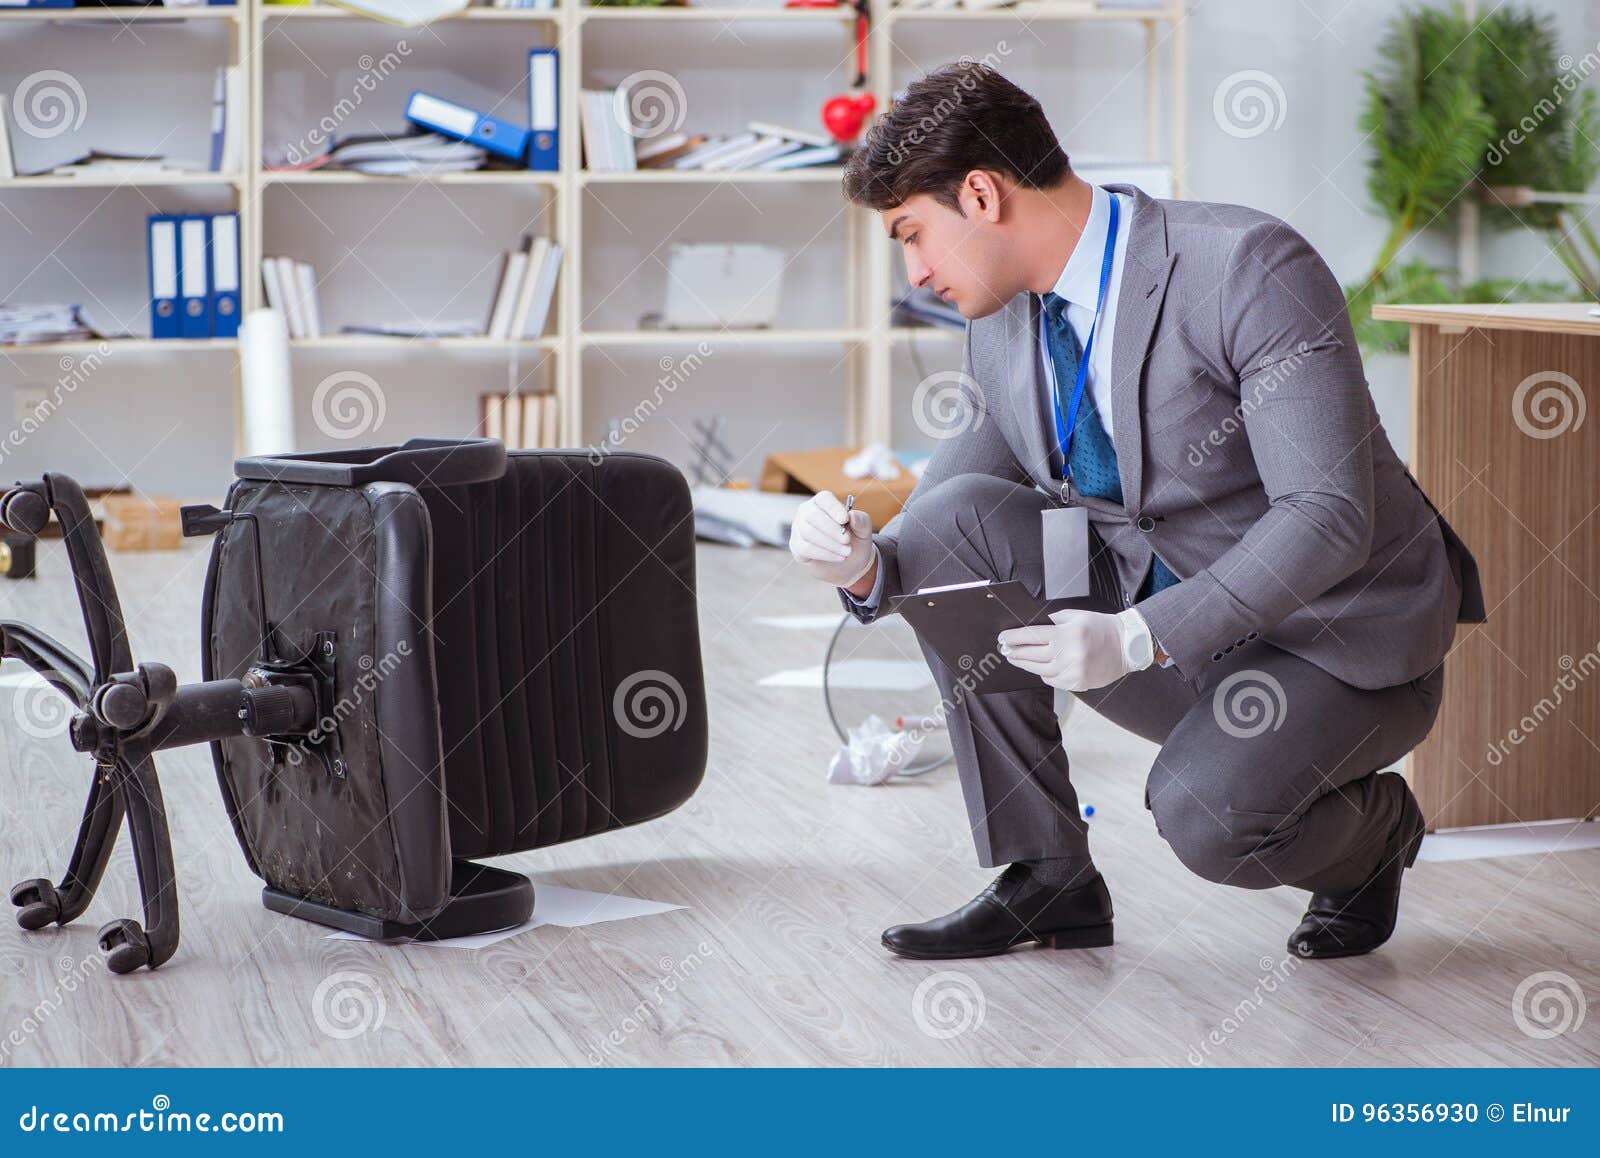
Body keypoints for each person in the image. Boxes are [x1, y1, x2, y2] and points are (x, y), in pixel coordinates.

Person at [789, 62, 1485, 962]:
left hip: (1333, 639)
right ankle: (1048, 876)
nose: (916, 273)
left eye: (911, 235)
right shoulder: (1004, 316)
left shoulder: (1244, 267)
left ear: (980, 193)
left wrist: (1138, 636)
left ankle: (1375, 836)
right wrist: (863, 565)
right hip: (1164, 634)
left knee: (1207, 817)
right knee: (946, 527)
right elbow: (943, 520)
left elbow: (1328, 516)